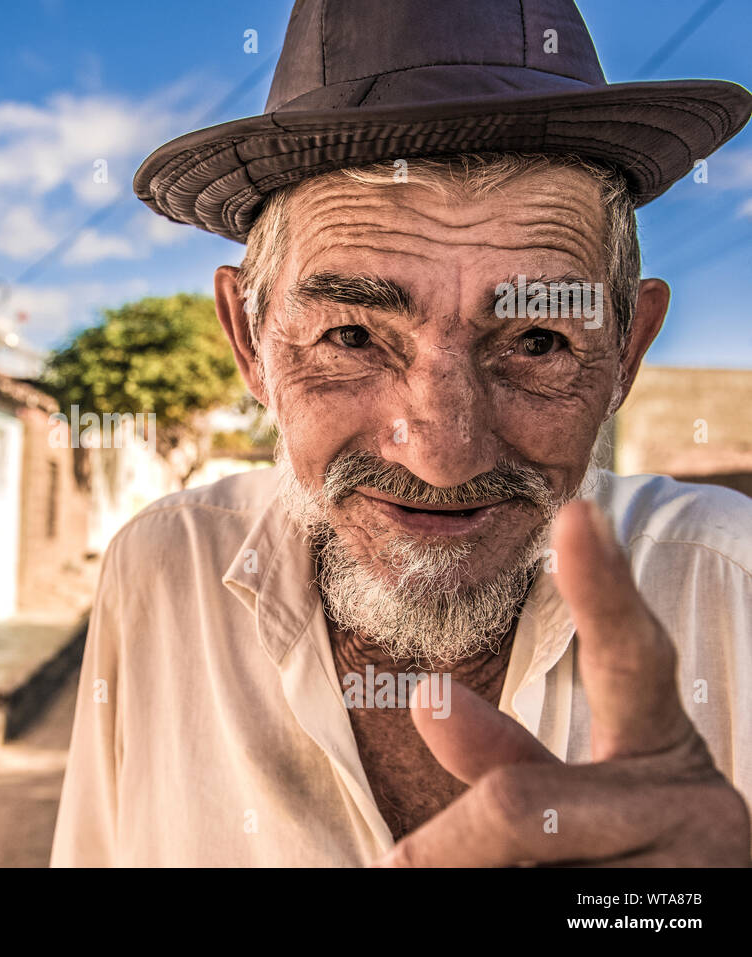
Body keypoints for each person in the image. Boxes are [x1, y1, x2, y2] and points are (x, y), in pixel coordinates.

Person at [50, 0, 752, 867]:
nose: (443, 451)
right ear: (249, 342)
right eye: (351, 336)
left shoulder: (736, 597)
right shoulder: (161, 572)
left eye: (538, 340)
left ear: (627, 353)